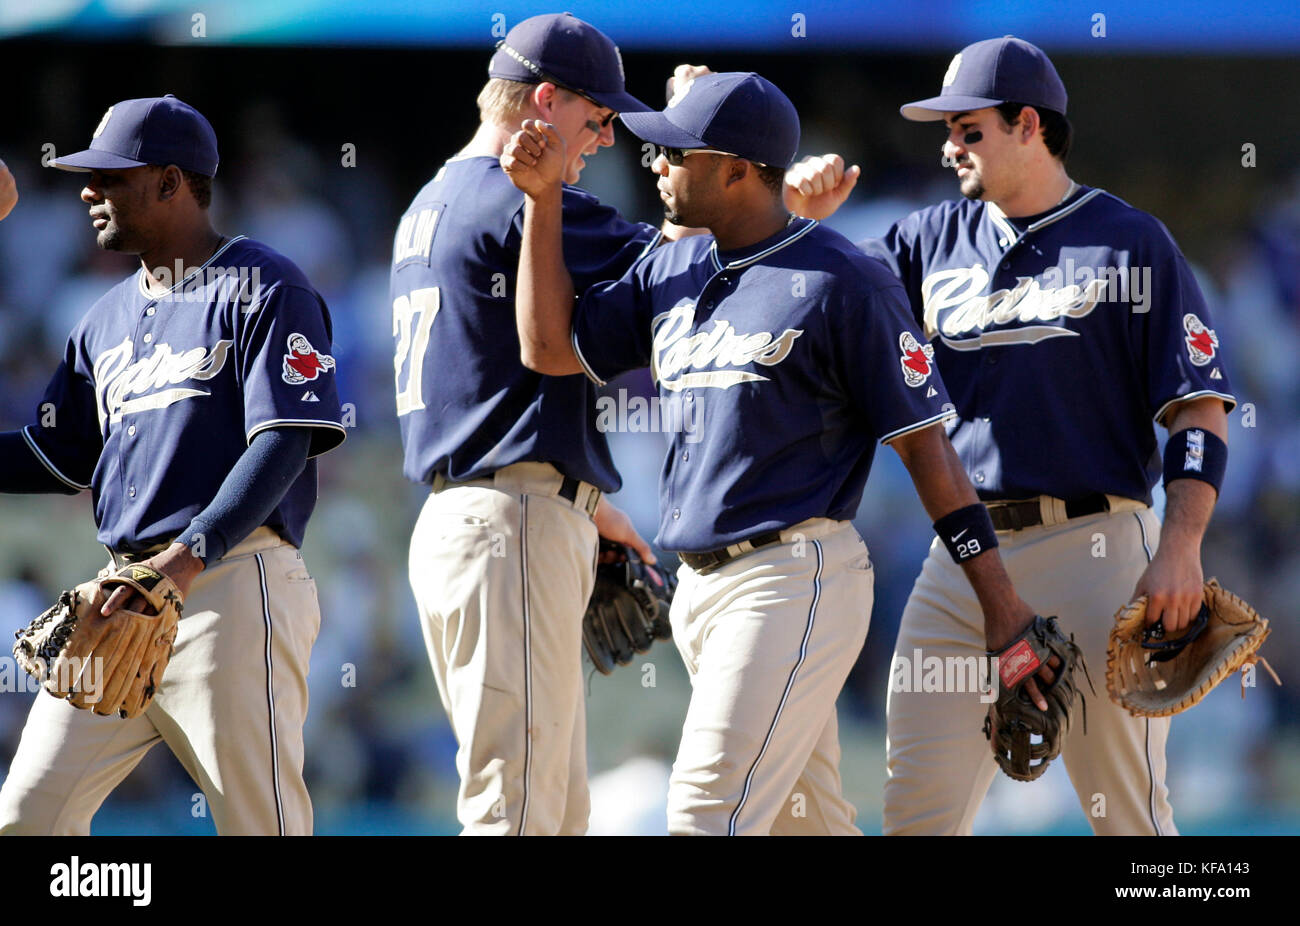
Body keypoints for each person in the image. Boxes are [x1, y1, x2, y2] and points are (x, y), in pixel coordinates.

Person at [502, 70, 1046, 836]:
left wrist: (1002, 606)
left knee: (703, 813)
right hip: (700, 594)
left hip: (796, 579)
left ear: (734, 171)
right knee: (806, 826)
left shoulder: (844, 281)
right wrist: (542, 200)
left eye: (675, 153)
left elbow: (929, 453)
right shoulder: (673, 268)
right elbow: (548, 345)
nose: (656, 164)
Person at [797, 35, 1233, 834]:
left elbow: (1198, 408)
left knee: (1130, 817)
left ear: (1028, 124)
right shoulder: (924, 242)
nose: (948, 145)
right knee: (916, 811)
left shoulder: (1129, 243)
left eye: (968, 129)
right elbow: (820, 320)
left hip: (1095, 545)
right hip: (962, 562)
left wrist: (1181, 547)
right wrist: (802, 227)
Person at [0, 94, 346, 835]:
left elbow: (285, 438)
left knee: (263, 825)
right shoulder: (100, 318)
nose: (88, 191)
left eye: (111, 176)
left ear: (171, 182)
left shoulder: (265, 285)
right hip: (121, 595)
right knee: (29, 816)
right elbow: (57, 455)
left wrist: (188, 559)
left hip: (230, 582)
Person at [391, 12, 699, 835]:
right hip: (510, 526)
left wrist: (589, 505)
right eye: (597, 120)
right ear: (547, 100)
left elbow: (488, 386)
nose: (601, 141)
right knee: (517, 811)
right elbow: (679, 270)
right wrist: (696, 149)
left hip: (479, 512)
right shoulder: (517, 199)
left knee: (554, 814)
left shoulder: (432, 201)